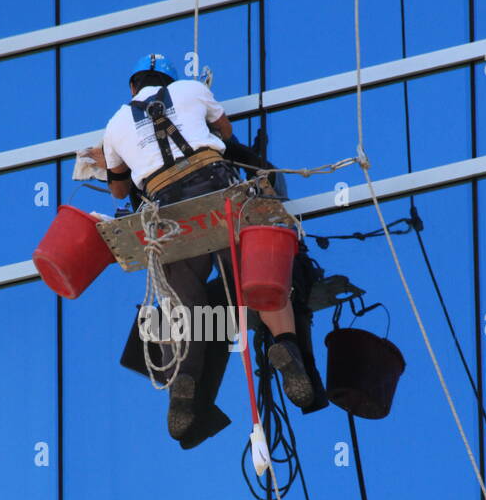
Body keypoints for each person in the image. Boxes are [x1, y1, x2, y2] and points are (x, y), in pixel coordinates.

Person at [85, 52, 315, 441]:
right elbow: (225, 133)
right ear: (170, 81)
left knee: (183, 305)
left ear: (132, 86)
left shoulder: (114, 125)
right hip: (217, 189)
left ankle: (184, 383)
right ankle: (287, 349)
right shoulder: (193, 90)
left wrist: (115, 160)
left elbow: (120, 190)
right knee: (258, 280)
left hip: (168, 210)